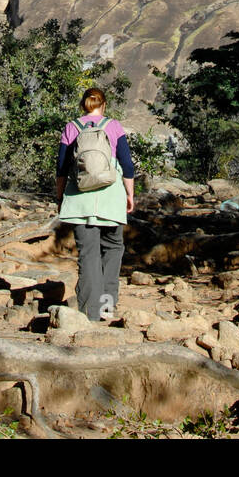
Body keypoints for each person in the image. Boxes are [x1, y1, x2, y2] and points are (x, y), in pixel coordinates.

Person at [55, 87, 135, 323]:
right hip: (110, 197)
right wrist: (129, 194)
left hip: (80, 199)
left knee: (88, 254)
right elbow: (127, 165)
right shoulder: (114, 126)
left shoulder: (72, 127)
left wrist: (60, 198)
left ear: (83, 105)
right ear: (104, 105)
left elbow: (61, 168)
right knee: (112, 249)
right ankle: (107, 307)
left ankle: (89, 313)